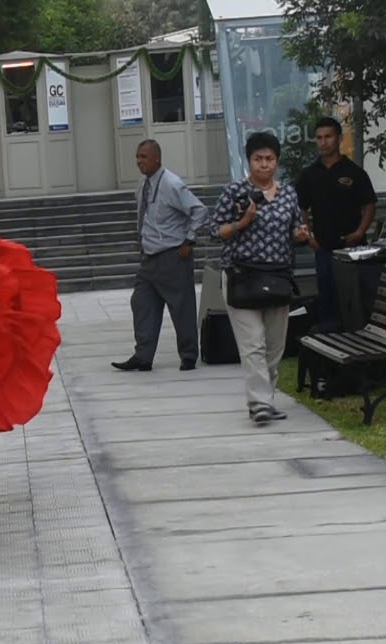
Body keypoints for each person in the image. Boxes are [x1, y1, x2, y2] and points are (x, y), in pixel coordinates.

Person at [210, 132, 313, 425]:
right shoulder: (235, 192)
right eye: (258, 159)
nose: (263, 165)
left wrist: (300, 235)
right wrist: (243, 223)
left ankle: (265, 397)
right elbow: (214, 231)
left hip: (278, 278)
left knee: (274, 346)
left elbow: (294, 229)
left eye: (269, 159)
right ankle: (260, 404)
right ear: (249, 161)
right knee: (252, 343)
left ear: (277, 162)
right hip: (242, 277)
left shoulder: (288, 193)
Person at [112, 139, 207, 372]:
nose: (139, 162)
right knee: (141, 302)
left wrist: (189, 240)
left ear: (157, 158)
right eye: (137, 157)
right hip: (149, 257)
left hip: (172, 255)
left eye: (144, 157)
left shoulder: (171, 184)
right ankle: (143, 356)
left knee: (181, 308)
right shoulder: (143, 185)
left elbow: (199, 211)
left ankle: (188, 356)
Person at [296, 116, 378, 331]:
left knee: (355, 295)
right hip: (323, 247)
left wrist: (360, 231)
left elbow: (369, 205)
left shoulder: (354, 172)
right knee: (327, 292)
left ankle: (358, 335)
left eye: (328, 137)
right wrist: (309, 236)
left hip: (354, 248)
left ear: (339, 138)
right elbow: (300, 208)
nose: (323, 142)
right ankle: (327, 337)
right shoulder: (308, 175)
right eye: (319, 137)